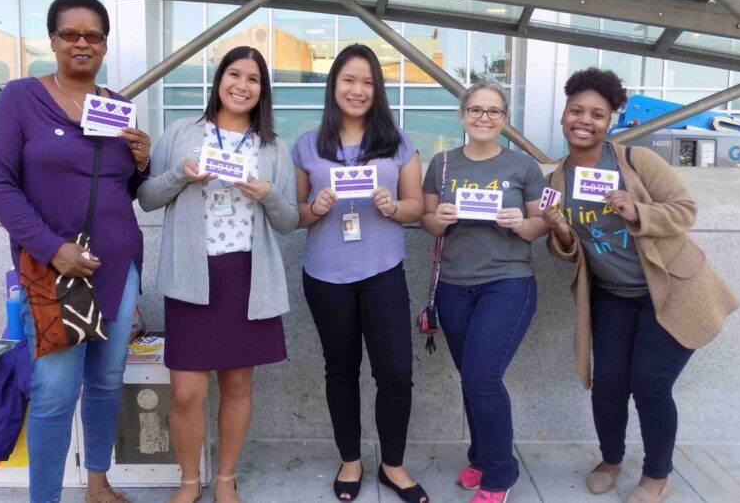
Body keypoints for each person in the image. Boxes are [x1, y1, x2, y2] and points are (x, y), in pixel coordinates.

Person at [0, 0, 152, 503]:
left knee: (107, 381)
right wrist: (51, 247)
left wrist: (142, 162)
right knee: (55, 392)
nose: (82, 43)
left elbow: (125, 191)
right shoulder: (19, 97)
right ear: (53, 41)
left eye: (92, 35)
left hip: (118, 265)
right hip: (54, 269)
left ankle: (98, 484)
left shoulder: (116, 106)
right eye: (70, 34)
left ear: (104, 44)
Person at [542, 68, 739, 503]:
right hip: (613, 297)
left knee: (649, 384)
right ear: (563, 116)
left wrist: (638, 212)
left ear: (610, 120)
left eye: (597, 113)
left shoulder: (635, 162)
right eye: (576, 110)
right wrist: (558, 232)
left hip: (670, 289)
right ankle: (611, 459)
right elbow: (568, 252)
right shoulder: (555, 181)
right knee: (609, 381)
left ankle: (656, 475)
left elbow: (685, 210)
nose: (584, 120)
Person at [137, 46, 297, 503]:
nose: (242, 85)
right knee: (187, 391)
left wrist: (267, 194)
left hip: (247, 277)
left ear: (262, 91)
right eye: (234, 74)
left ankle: (225, 478)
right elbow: (147, 197)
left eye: (253, 79)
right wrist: (181, 177)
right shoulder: (183, 133)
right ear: (219, 79)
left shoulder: (272, 148)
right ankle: (189, 481)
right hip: (191, 274)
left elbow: (287, 221)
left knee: (237, 385)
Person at [292, 43, 428, 503]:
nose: (357, 89)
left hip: (383, 272)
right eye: (349, 80)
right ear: (333, 85)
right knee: (341, 370)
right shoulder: (309, 143)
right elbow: (297, 215)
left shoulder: (398, 141)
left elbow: (417, 207)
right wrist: (315, 206)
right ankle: (351, 459)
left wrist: (394, 207)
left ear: (378, 89)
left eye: (368, 82)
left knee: (395, 372)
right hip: (326, 276)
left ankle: (392, 464)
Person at [419, 79, 547, 503]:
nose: (484, 118)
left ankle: (500, 473)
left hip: (507, 282)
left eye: (494, 111)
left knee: (482, 377)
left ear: (505, 120)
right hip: (455, 286)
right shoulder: (442, 163)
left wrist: (518, 223)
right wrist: (441, 216)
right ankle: (481, 456)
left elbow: (536, 227)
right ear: (462, 115)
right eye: (476, 110)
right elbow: (427, 222)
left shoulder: (523, 166)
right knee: (472, 379)